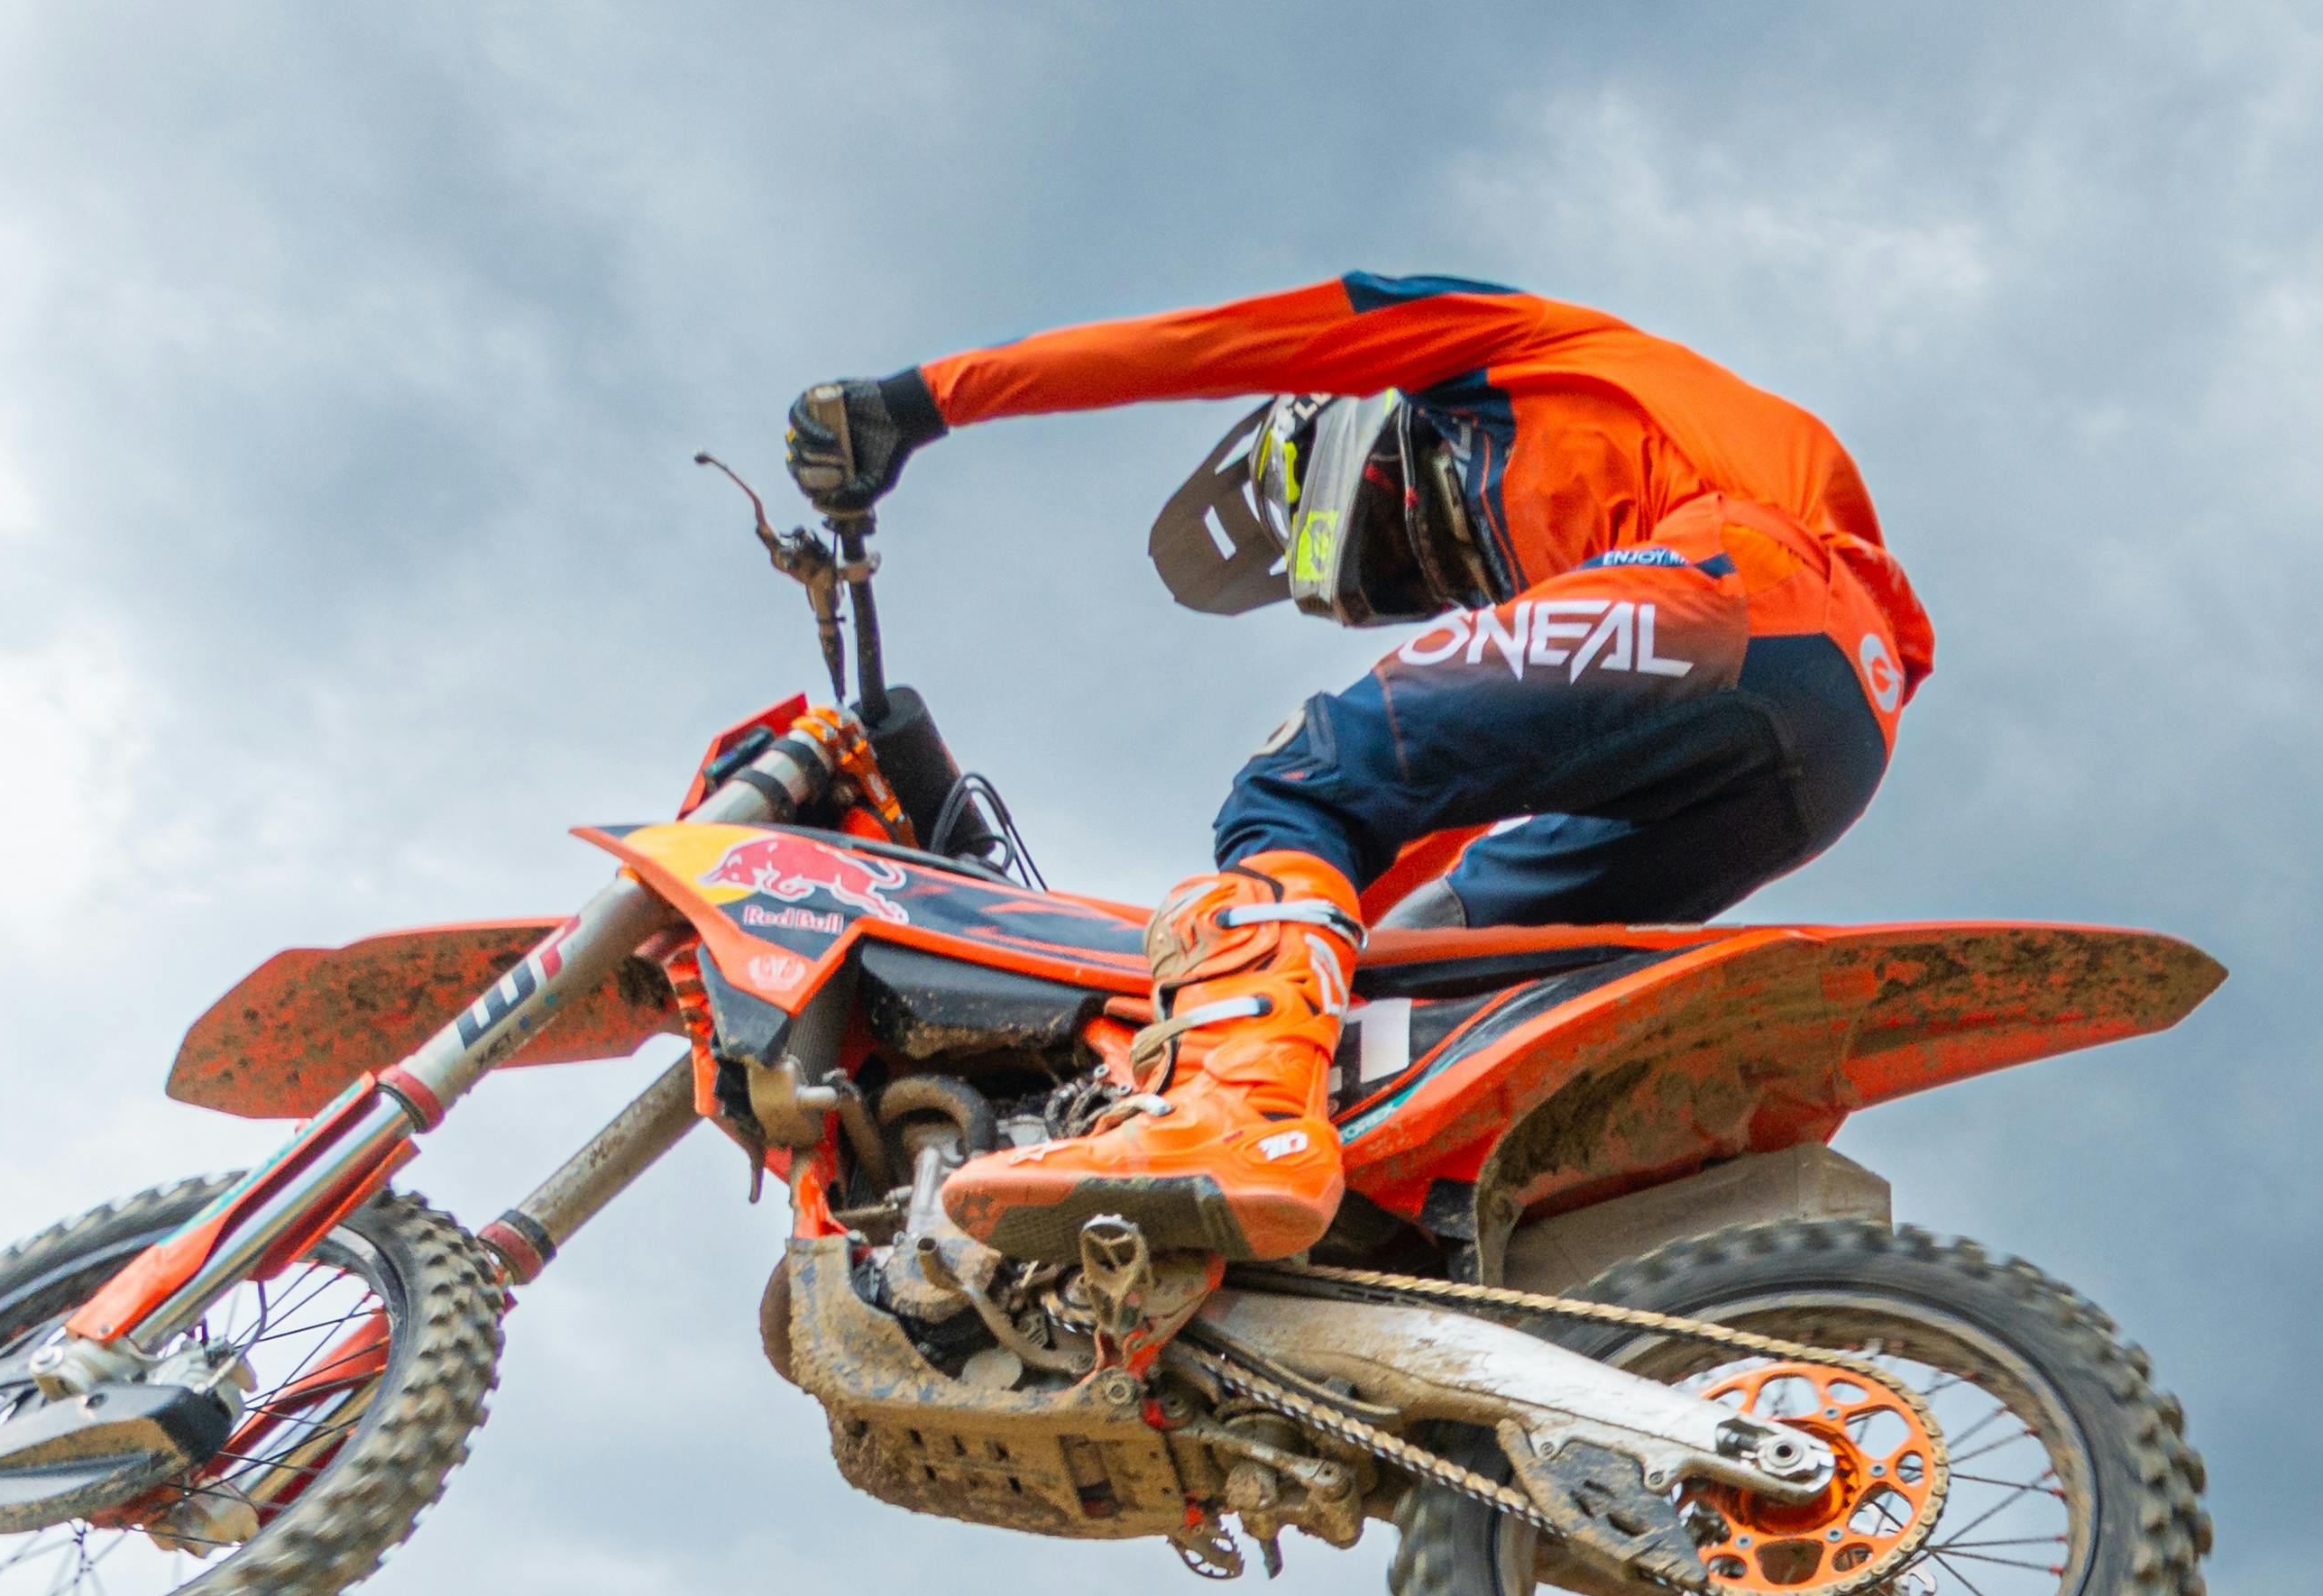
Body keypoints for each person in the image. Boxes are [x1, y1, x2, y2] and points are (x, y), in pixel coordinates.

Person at [784, 273, 1933, 1264]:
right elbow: (1375, 873)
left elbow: (1221, 342)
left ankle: (1237, 1123)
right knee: (1437, 963)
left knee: (1295, 778)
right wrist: (1159, 1018)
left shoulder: (1521, 348)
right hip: (1837, 741)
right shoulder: (1588, 573)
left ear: (1367, 440)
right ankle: (1458, 1241)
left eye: (1406, 549)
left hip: (1745, 587)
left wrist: (924, 398)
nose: (1436, 589)